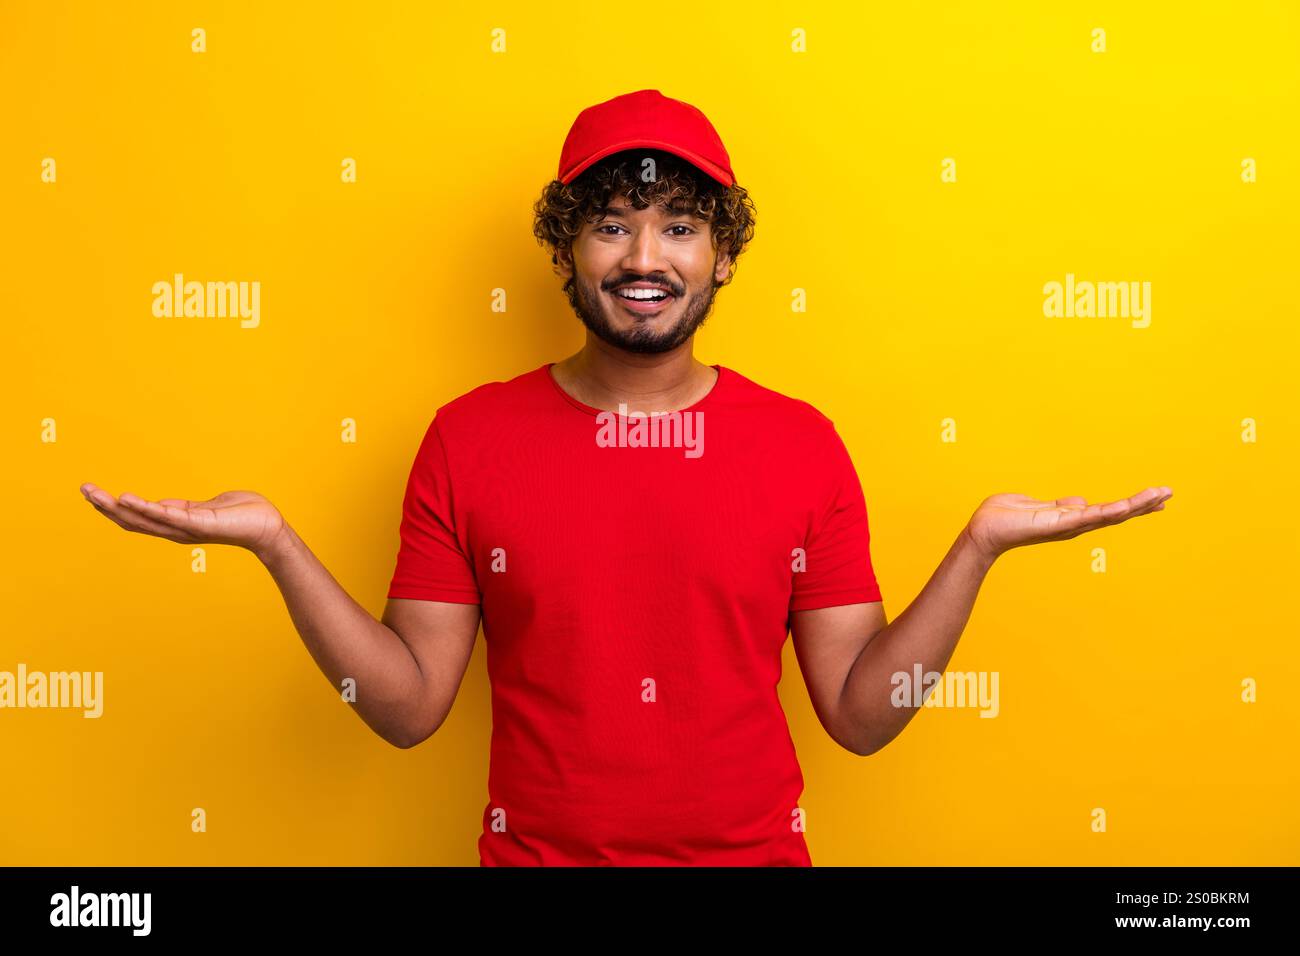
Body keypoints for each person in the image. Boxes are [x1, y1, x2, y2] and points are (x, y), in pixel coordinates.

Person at [80, 89, 1173, 866]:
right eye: (611, 224)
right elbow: (408, 707)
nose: (643, 257)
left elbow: (858, 712)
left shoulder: (800, 444)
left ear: (723, 256)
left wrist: (976, 545)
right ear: (567, 251)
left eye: (679, 226)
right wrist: (276, 542)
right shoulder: (468, 439)